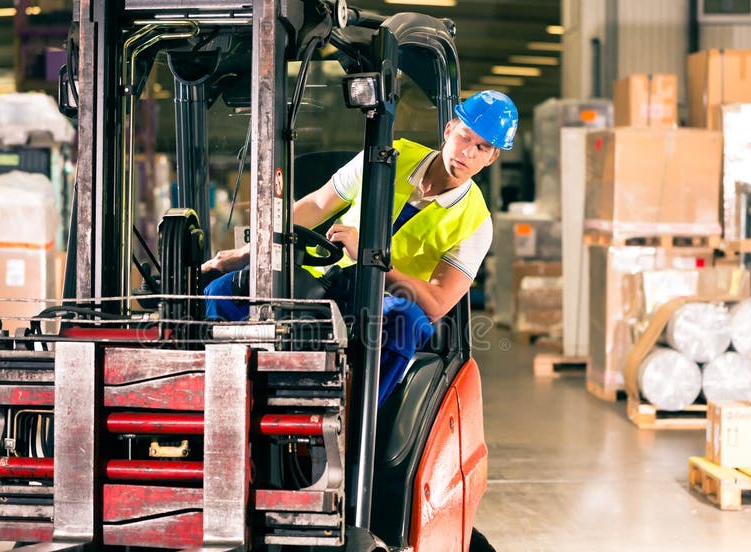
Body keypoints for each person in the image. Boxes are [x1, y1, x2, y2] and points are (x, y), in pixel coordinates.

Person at [202, 90, 518, 404]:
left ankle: (352, 427)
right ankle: (226, 403)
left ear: (492, 157)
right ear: (449, 130)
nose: (469, 153)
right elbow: (317, 203)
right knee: (222, 291)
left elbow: (437, 302)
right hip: (319, 282)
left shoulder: (476, 223)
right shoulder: (387, 156)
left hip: (379, 302)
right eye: (465, 138)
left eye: (483, 147)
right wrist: (252, 252)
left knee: (406, 321)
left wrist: (372, 258)